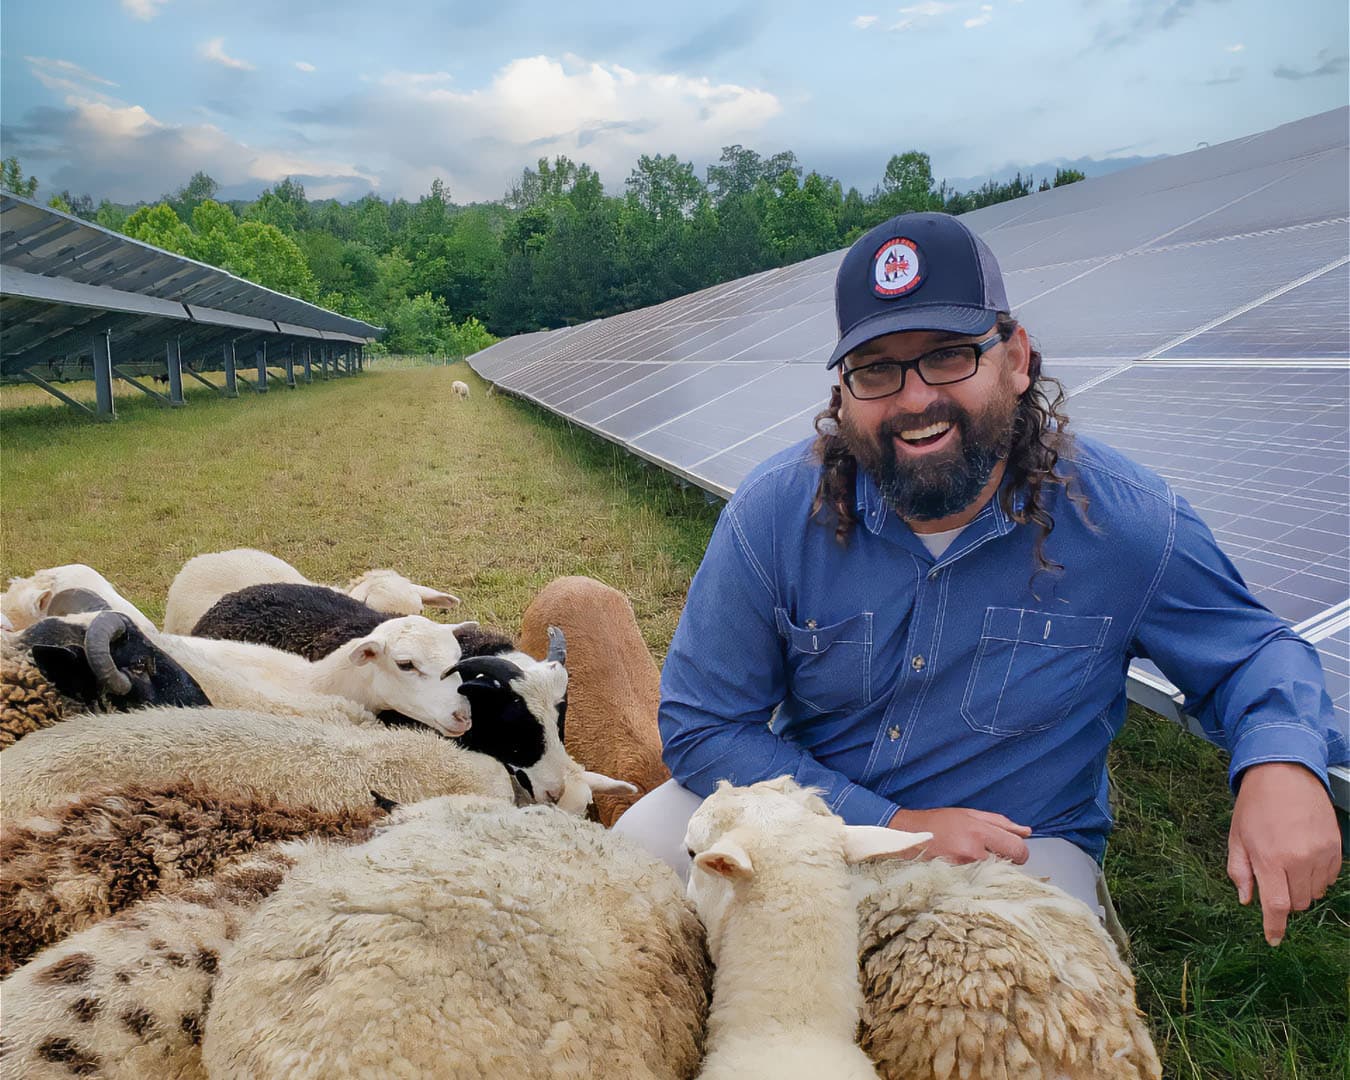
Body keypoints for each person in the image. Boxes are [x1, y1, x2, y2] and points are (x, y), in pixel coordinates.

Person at [615, 211, 1345, 946]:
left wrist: (1283, 759)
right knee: (635, 864)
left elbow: (1253, 651)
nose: (913, 399)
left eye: (949, 356)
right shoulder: (774, 514)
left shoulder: (1124, 524)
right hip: (807, 814)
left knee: (1025, 1016)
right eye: (877, 370)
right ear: (842, 392)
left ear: (1017, 356)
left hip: (1011, 850)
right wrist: (893, 826)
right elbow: (704, 723)